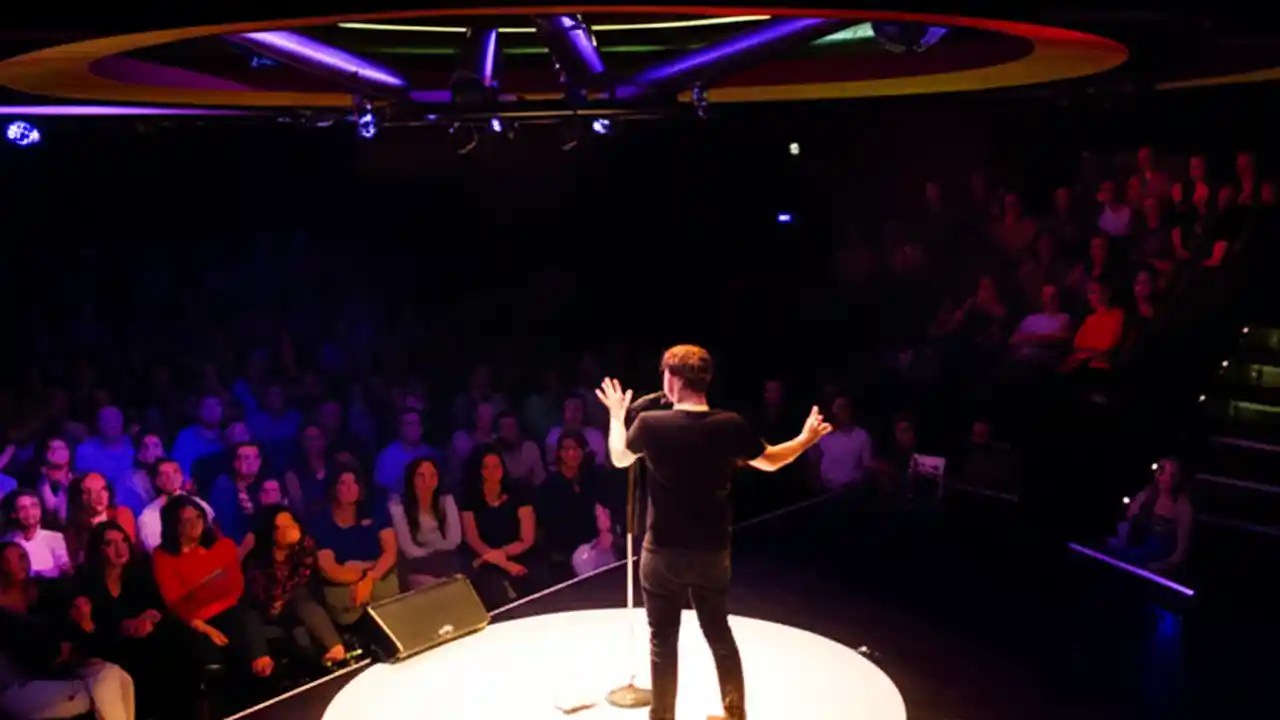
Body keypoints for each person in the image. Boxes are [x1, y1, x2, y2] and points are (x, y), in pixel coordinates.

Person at [597, 344, 832, 720]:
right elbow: (771, 462)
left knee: (663, 641)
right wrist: (805, 439)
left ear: (672, 379)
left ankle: (663, 717)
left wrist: (616, 415)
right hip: (712, 552)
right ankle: (734, 713)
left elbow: (620, 457)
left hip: (663, 554)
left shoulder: (652, 425)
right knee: (718, 631)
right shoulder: (730, 424)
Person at [1, 541, 138, 720]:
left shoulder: (43, 592)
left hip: (63, 665)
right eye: (9, 560)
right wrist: (59, 649)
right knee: (95, 690)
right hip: (22, 682)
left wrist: (81, 623)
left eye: (23, 557)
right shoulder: (5, 613)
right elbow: (30, 651)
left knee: (115, 675)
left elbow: (67, 634)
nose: (20, 564)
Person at [72, 520, 189, 717]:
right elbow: (92, 632)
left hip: (142, 644)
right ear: (97, 549)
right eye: (110, 543)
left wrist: (148, 620)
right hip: (105, 650)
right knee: (141, 659)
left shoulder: (138, 574)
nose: (120, 548)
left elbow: (159, 609)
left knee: (176, 641)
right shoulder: (86, 581)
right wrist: (126, 627)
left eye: (124, 541)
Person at [151, 496, 274, 678]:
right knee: (208, 648)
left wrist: (200, 592)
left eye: (198, 517)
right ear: (173, 525)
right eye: (185, 520)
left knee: (246, 619)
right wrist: (202, 625)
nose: (194, 524)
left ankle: (262, 665)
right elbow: (175, 601)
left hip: (227, 609)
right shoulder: (162, 556)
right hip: (192, 620)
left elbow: (234, 587)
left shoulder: (222, 545)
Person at [242, 506, 347, 664]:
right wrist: (273, 602)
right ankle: (261, 659)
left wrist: (283, 598)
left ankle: (335, 647)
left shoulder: (304, 547)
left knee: (300, 596)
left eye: (291, 522)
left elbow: (302, 576)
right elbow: (257, 591)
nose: (289, 528)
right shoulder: (257, 558)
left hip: (291, 604)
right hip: (265, 607)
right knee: (249, 612)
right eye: (281, 526)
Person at [312, 466, 400, 627]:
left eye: (354, 483)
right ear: (333, 488)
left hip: (378, 577)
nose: (349, 488)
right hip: (343, 584)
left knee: (386, 590)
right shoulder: (322, 522)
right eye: (343, 483)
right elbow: (329, 568)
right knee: (346, 599)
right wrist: (363, 574)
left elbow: (390, 552)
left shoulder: (374, 511)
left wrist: (369, 576)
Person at [460, 447, 544, 609]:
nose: (492, 471)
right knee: (493, 588)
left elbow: (527, 538)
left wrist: (503, 554)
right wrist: (504, 564)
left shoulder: (520, 492)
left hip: (518, 552)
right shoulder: (469, 498)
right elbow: (472, 538)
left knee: (533, 578)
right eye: (486, 467)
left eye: (497, 466)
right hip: (485, 557)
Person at [536, 432, 615, 580]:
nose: (571, 453)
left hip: (594, 544)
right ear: (559, 452)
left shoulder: (591, 479)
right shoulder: (550, 485)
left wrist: (604, 533)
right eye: (566, 449)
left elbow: (602, 509)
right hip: (568, 547)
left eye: (576, 448)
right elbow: (552, 524)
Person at [389, 458, 463, 590]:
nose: (427, 481)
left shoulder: (446, 501)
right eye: (420, 476)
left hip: (445, 563)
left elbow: (454, 540)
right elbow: (409, 550)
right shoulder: (398, 507)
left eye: (432, 475)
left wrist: (435, 552)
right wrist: (435, 552)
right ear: (412, 479)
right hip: (417, 567)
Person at [1112, 458, 1193, 575]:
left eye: (1171, 474)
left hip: (1157, 565)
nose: (1164, 477)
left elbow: (1180, 554)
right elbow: (1128, 524)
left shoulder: (1182, 507)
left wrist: (1157, 567)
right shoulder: (1146, 496)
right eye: (1161, 470)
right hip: (1136, 553)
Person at [137, 458, 215, 553]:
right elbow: (155, 549)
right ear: (156, 480)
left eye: (175, 472)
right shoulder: (148, 516)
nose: (171, 477)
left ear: (182, 476)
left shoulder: (198, 503)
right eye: (164, 474)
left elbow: (213, 530)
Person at [64, 473, 138, 566]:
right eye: (88, 491)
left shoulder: (122, 514)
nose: (98, 496)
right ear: (80, 497)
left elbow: (127, 554)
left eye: (103, 489)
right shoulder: (74, 528)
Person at [806, 395, 873, 492]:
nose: (843, 411)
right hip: (828, 492)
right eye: (839, 407)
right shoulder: (823, 434)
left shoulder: (861, 435)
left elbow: (867, 463)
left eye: (845, 407)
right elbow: (813, 460)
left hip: (854, 491)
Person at [73, 406, 136, 509]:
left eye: (116, 419)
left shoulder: (133, 446)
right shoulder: (85, 450)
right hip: (95, 506)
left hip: (132, 506)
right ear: (98, 424)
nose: (112, 424)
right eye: (107, 420)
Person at [1, 488, 72, 579]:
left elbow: (64, 569)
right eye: (23, 508)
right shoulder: (7, 541)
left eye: (34, 506)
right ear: (14, 514)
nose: (30, 512)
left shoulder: (55, 538)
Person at [209, 442, 266, 547]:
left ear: (259, 461)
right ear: (235, 463)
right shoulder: (224, 484)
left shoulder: (266, 485)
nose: (245, 462)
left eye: (250, 458)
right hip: (232, 546)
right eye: (241, 458)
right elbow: (226, 526)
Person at [284, 424, 337, 517]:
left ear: (325, 440)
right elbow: (298, 506)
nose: (312, 443)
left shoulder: (335, 467)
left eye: (317, 438)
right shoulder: (293, 473)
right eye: (308, 438)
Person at [495, 410, 546, 488]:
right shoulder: (493, 451)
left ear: (517, 429)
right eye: (503, 428)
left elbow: (541, 479)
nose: (507, 432)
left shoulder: (530, 448)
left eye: (510, 427)